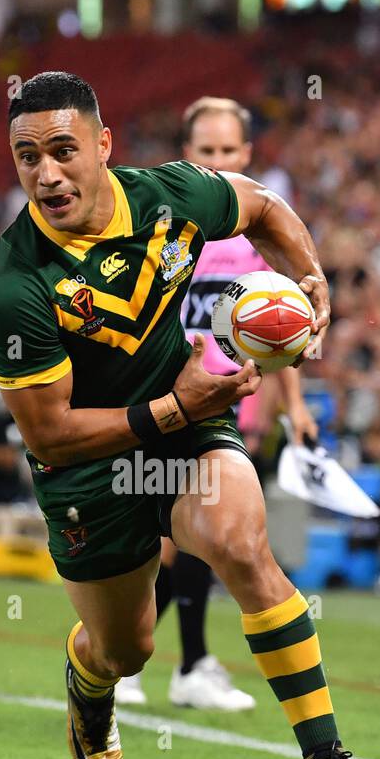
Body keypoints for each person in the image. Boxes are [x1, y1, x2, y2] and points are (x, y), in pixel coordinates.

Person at [0, 72, 380, 759]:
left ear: (103, 146)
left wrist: (309, 275)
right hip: (88, 465)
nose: (47, 173)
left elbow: (262, 205)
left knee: (238, 540)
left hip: (187, 425)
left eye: (64, 150)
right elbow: (48, 433)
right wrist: (170, 407)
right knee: (126, 651)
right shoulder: (14, 282)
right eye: (27, 156)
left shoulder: (171, 196)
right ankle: (88, 682)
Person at [117, 95, 318, 712]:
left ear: (249, 155)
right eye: (207, 152)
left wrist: (295, 404)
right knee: (165, 538)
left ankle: (178, 663)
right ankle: (141, 657)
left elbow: (286, 328)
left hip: (239, 402)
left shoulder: (262, 234)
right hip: (168, 396)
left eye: (231, 151)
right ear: (188, 155)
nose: (221, 161)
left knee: (210, 531)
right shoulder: (167, 225)